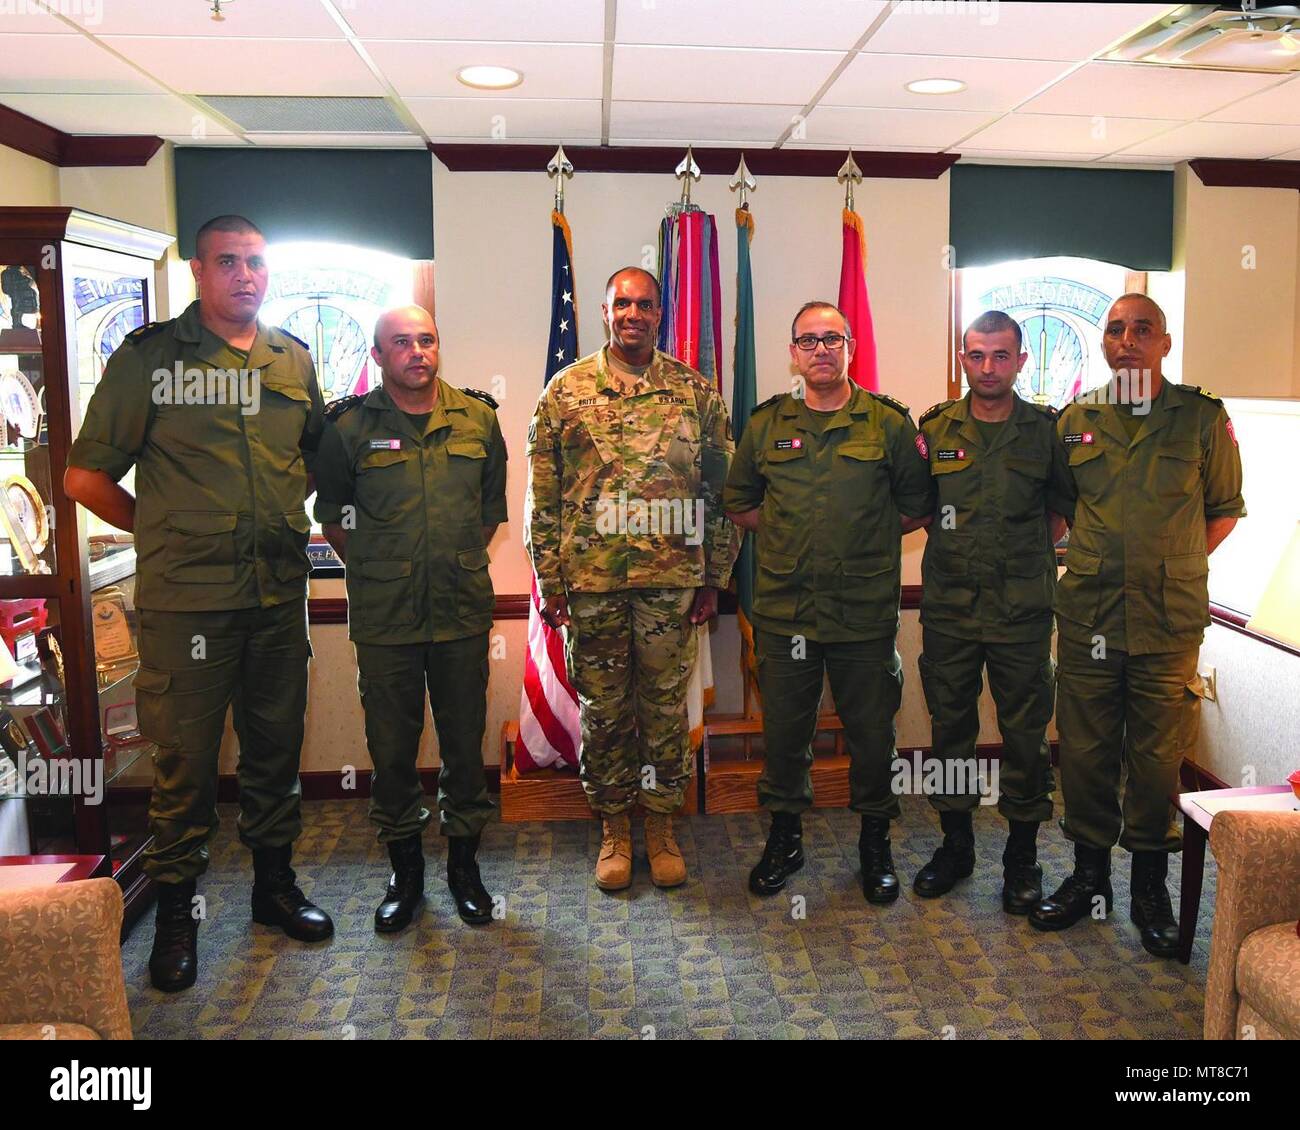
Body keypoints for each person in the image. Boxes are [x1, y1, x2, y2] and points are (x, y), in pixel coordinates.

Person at [64, 215, 332, 993]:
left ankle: (274, 889)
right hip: (188, 607)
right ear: (198, 273)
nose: (245, 276)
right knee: (182, 763)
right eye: (228, 263)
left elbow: (309, 459)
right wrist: (165, 527)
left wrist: (275, 511)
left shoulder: (291, 360)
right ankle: (178, 914)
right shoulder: (152, 359)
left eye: (255, 262)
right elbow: (85, 477)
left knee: (276, 751)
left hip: (276, 596)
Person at [1030, 293, 1244, 957]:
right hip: (1090, 612)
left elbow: (1223, 511)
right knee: (1087, 754)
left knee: (1156, 761)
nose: (1126, 340)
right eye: (1115, 329)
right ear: (1105, 343)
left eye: (1141, 329)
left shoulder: (1202, 420)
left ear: (1165, 343)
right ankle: (1090, 879)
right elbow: (1060, 516)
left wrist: (1167, 565)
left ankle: (1150, 887)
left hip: (1167, 622)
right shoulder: (1075, 419)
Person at [524, 267, 738, 891]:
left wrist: (714, 577)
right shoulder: (564, 393)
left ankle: (662, 825)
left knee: (665, 708)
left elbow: (723, 494)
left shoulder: (694, 392)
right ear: (603, 309)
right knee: (605, 710)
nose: (633, 314)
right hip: (590, 584)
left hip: (670, 581)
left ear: (660, 312)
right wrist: (551, 579)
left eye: (645, 304)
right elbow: (544, 497)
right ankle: (615, 826)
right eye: (622, 303)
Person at [724, 301, 932, 903]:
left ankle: (875, 844)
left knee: (872, 734)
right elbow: (741, 502)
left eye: (832, 339)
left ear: (850, 348)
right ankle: (784, 840)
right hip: (786, 610)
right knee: (786, 735)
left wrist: (858, 539)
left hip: (863, 612)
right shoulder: (766, 425)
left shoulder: (889, 425)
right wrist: (795, 536)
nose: (821, 351)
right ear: (793, 352)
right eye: (808, 341)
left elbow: (916, 505)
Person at [314, 306, 505, 929]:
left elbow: (487, 515)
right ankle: (406, 871)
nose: (416, 351)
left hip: (459, 612)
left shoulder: (477, 418)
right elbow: (335, 518)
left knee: (463, 748)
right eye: (401, 342)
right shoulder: (346, 428)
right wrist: (381, 564)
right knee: (391, 750)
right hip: (387, 619)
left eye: (426, 340)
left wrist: (442, 562)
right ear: (378, 355)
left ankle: (463, 868)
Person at [913, 310, 1074, 911]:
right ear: (963, 357)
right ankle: (956, 847)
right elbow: (923, 509)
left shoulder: (1044, 432)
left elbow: (1057, 514)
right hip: (951, 609)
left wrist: (1017, 554)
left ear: (1020, 361)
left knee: (1026, 735)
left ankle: (1021, 856)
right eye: (976, 355)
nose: (987, 367)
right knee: (951, 730)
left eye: (1000, 355)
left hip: (1022, 612)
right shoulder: (935, 428)